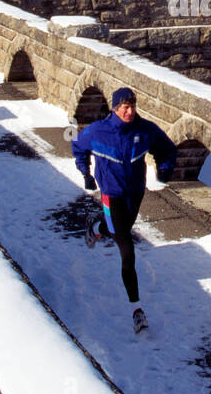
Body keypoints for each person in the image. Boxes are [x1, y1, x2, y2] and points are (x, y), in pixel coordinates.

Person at [71, 87, 177, 335]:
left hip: (135, 192)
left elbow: (167, 149)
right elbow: (78, 145)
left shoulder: (144, 129)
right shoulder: (99, 131)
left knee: (117, 230)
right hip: (111, 194)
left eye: (133, 107)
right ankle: (137, 309)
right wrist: (85, 172)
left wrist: (164, 170)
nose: (130, 112)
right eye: (124, 108)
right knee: (126, 249)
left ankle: (97, 227)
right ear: (115, 108)